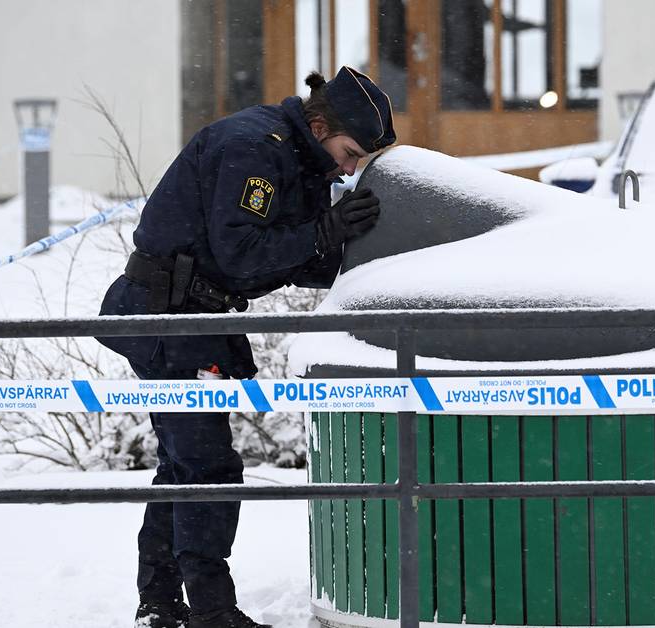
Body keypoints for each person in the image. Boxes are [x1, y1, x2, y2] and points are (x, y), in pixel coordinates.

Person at [97, 66, 396, 628]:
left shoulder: (299, 156)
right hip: (170, 316)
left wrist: (354, 258)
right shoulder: (253, 149)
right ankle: (210, 611)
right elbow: (242, 253)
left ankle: (159, 602)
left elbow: (286, 258)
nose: (350, 168)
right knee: (208, 466)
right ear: (317, 123)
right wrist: (325, 233)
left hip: (189, 315)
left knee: (184, 465)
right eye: (351, 152)